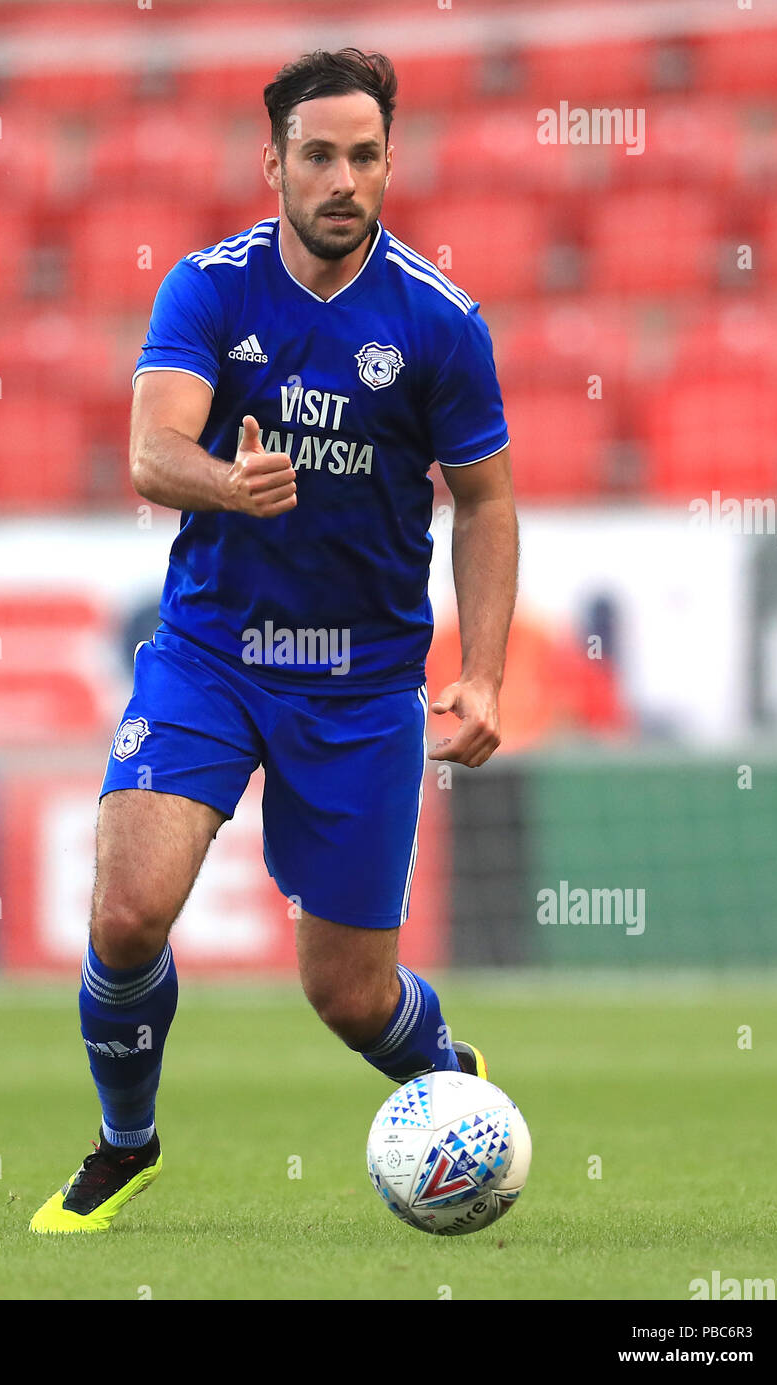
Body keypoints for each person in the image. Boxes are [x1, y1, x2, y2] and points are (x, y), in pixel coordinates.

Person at [31, 47, 517, 1234]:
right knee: (128, 909)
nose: (341, 178)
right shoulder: (209, 288)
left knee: (347, 995)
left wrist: (484, 672)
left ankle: (454, 1088)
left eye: (363, 156)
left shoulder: (442, 324)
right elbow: (153, 453)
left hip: (359, 689)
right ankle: (124, 1142)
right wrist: (226, 485)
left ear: (390, 162)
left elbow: (488, 501)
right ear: (275, 164)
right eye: (317, 155)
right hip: (210, 656)